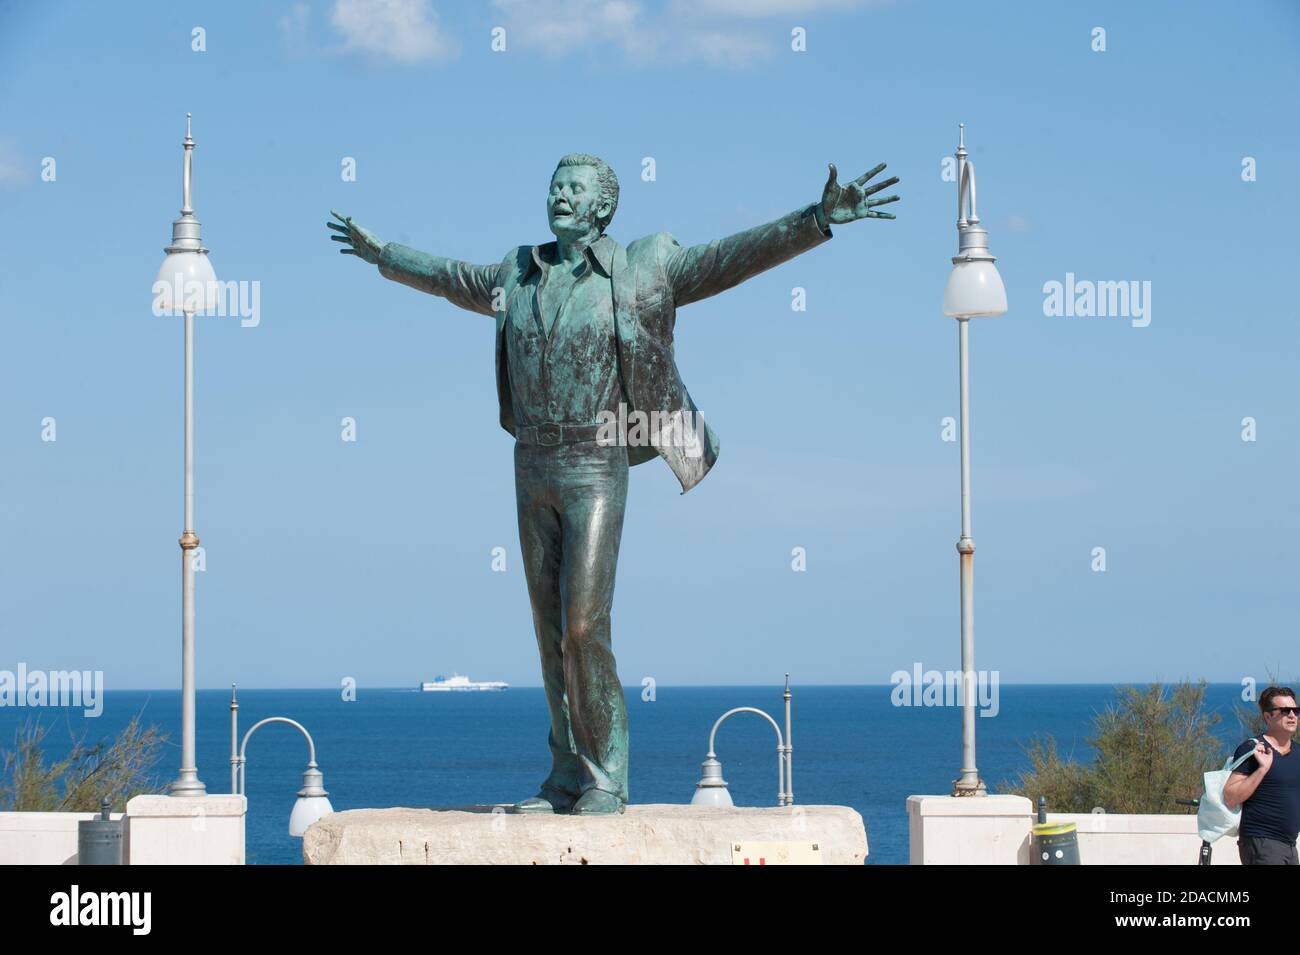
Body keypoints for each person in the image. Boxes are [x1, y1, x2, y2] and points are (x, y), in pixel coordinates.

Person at [327, 154, 899, 813]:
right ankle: (566, 771)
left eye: (575, 189)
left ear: (603, 208)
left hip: (597, 461)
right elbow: (452, 278)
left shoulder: (640, 270)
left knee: (582, 624)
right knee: (546, 631)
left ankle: (607, 775)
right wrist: (383, 255)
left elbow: (729, 259)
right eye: (555, 186)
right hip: (531, 462)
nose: (561, 197)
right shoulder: (517, 271)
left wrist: (817, 218)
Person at [1224, 686, 1300, 864]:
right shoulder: (1253, 749)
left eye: (1295, 710)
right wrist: (1262, 769)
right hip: (1262, 842)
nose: (1292, 715)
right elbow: (1230, 796)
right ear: (1268, 717)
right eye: (1284, 711)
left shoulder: (1297, 752)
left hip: (1289, 845)